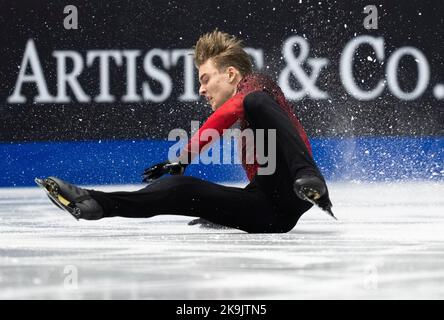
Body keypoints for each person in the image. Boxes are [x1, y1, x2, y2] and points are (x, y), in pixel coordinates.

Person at [37, 30, 334, 233]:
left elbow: (229, 112)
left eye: (205, 79)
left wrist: (184, 155)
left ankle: (310, 177)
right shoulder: (245, 110)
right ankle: (96, 203)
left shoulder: (256, 87)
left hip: (297, 188)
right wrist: (222, 212)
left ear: (230, 74)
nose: (201, 89)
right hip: (269, 213)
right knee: (180, 189)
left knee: (255, 104)